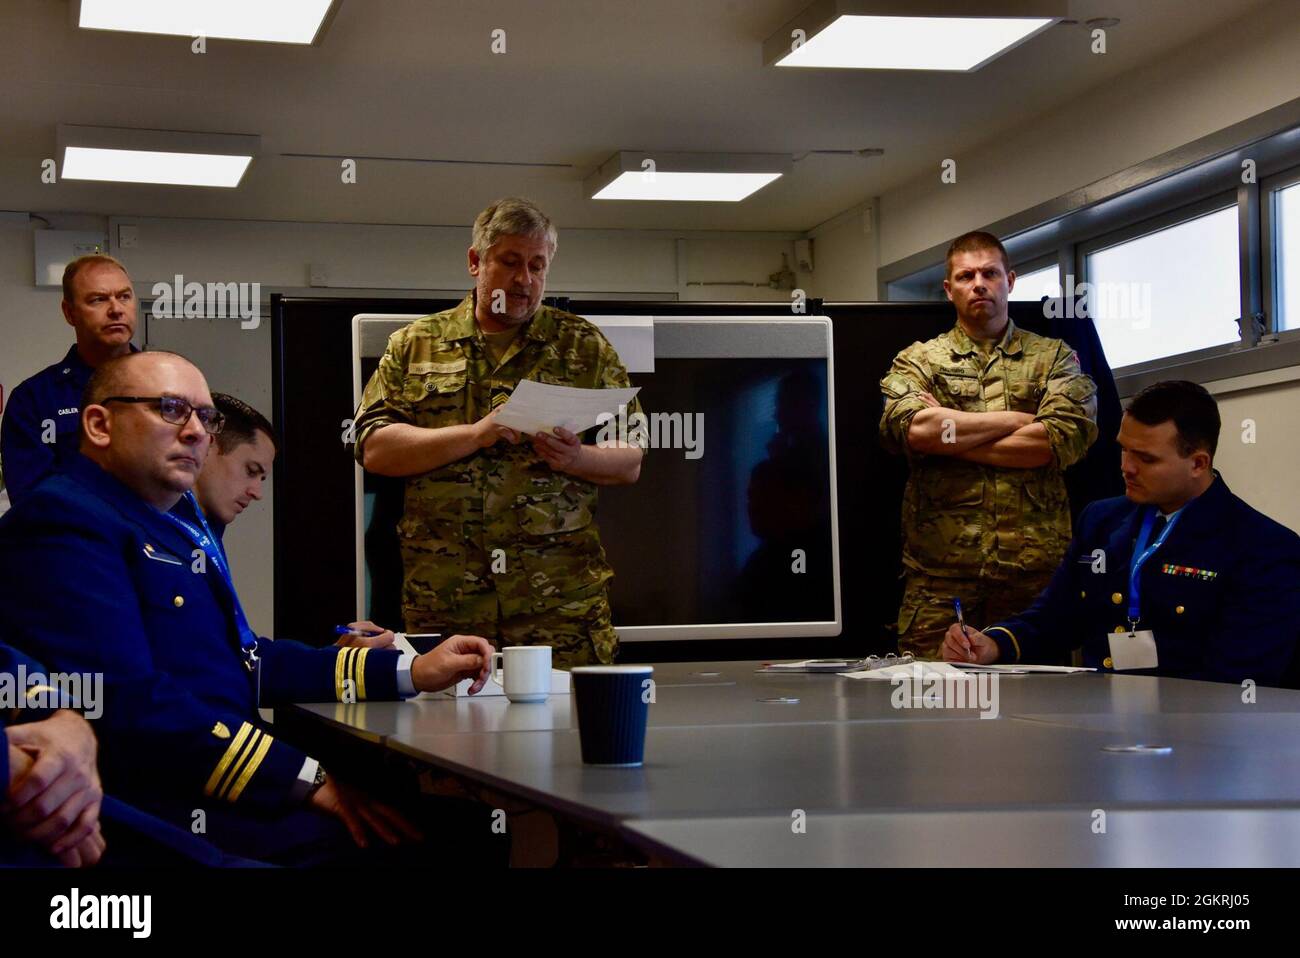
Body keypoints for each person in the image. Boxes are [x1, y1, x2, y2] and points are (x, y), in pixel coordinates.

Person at [0, 351, 504, 865]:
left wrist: (410, 669)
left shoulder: (166, 523)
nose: (198, 432)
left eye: (206, 416)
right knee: (449, 838)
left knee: (465, 824)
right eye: (171, 409)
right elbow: (130, 705)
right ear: (99, 425)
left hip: (219, 782)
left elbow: (247, 661)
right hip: (165, 805)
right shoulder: (64, 519)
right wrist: (305, 780)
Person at [353, 197, 646, 667]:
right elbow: (376, 450)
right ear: (475, 261)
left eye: (537, 265)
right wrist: (477, 433)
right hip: (448, 605)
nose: (524, 280)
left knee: (567, 737)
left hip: (559, 609)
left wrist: (577, 459)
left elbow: (630, 458)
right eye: (510, 262)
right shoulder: (414, 345)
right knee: (447, 739)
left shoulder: (583, 346)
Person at [942, 381, 1300, 686]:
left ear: (1198, 463)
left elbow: (1235, 679)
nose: (1126, 467)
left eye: (1146, 458)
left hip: (1194, 741)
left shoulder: (1264, 548)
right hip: (1100, 725)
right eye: (1124, 450)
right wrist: (993, 644)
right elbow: (1055, 617)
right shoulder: (1102, 519)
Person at [879, 231, 1099, 659]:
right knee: (930, 708)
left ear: (1010, 281)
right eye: (965, 275)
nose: (978, 283)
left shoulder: (1054, 357)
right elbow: (911, 431)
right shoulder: (919, 360)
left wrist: (951, 437)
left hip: (1034, 581)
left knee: (1040, 713)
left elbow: (1054, 442)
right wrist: (1016, 420)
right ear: (949, 289)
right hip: (940, 581)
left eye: (989, 273)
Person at [195, 392, 388, 651]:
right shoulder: (155, 532)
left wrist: (340, 660)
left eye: (261, 478)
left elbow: (239, 656)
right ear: (206, 446)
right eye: (251, 471)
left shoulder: (204, 535)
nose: (257, 492)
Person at [1, 254, 139, 505]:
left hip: (160, 540)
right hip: (76, 540)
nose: (116, 309)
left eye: (124, 296)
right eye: (98, 299)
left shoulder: (172, 386)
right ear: (69, 313)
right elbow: (32, 500)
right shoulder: (33, 400)